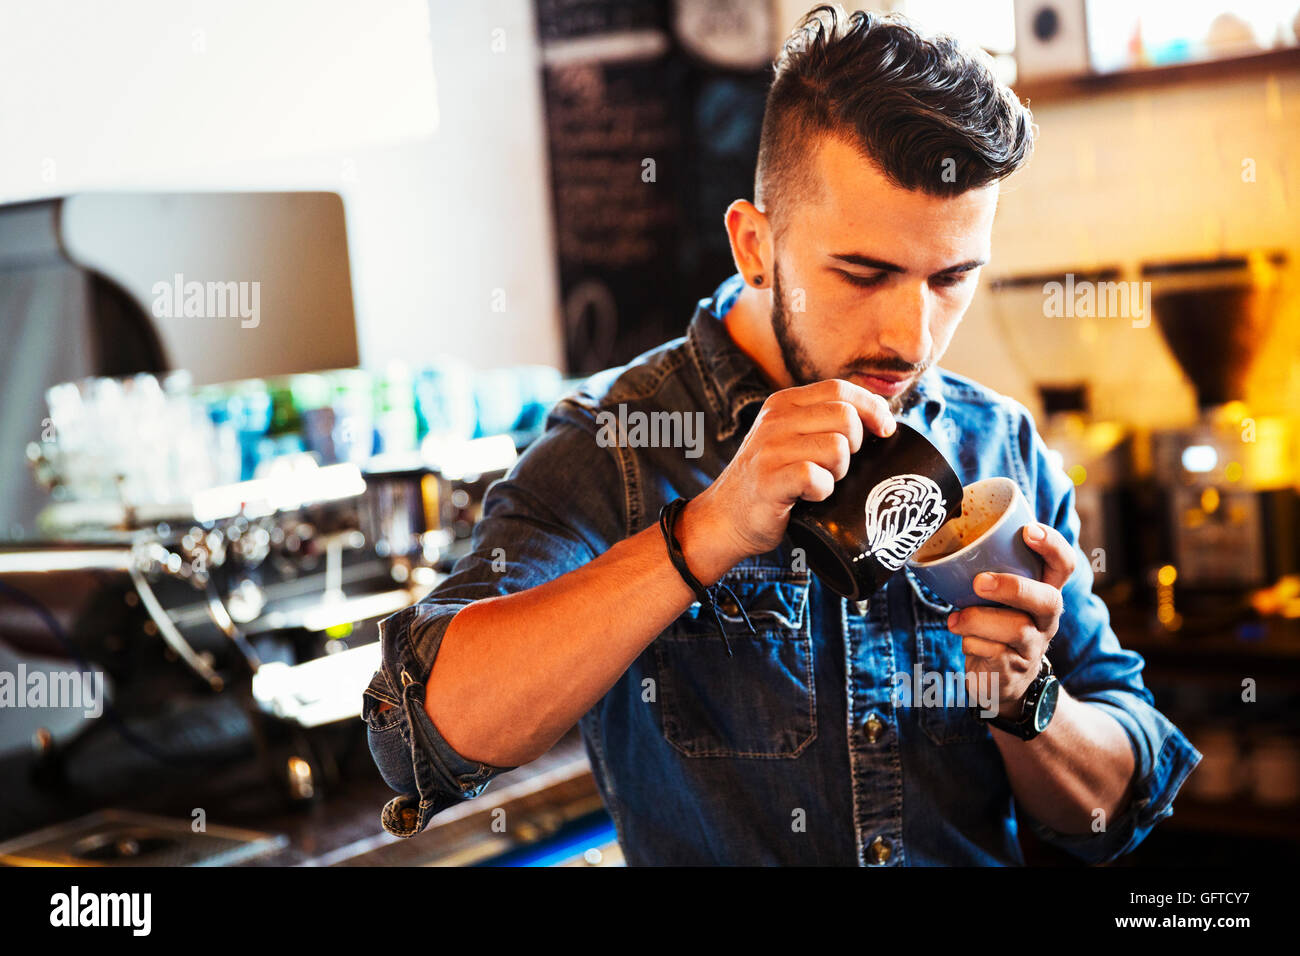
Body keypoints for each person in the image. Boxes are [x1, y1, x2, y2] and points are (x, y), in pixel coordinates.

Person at [362, 5, 1200, 865]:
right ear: (754, 246)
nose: (911, 338)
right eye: (863, 274)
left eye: (951, 278)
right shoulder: (621, 442)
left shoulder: (998, 446)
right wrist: (708, 530)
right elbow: (423, 736)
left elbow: (1116, 811)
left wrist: (1029, 702)